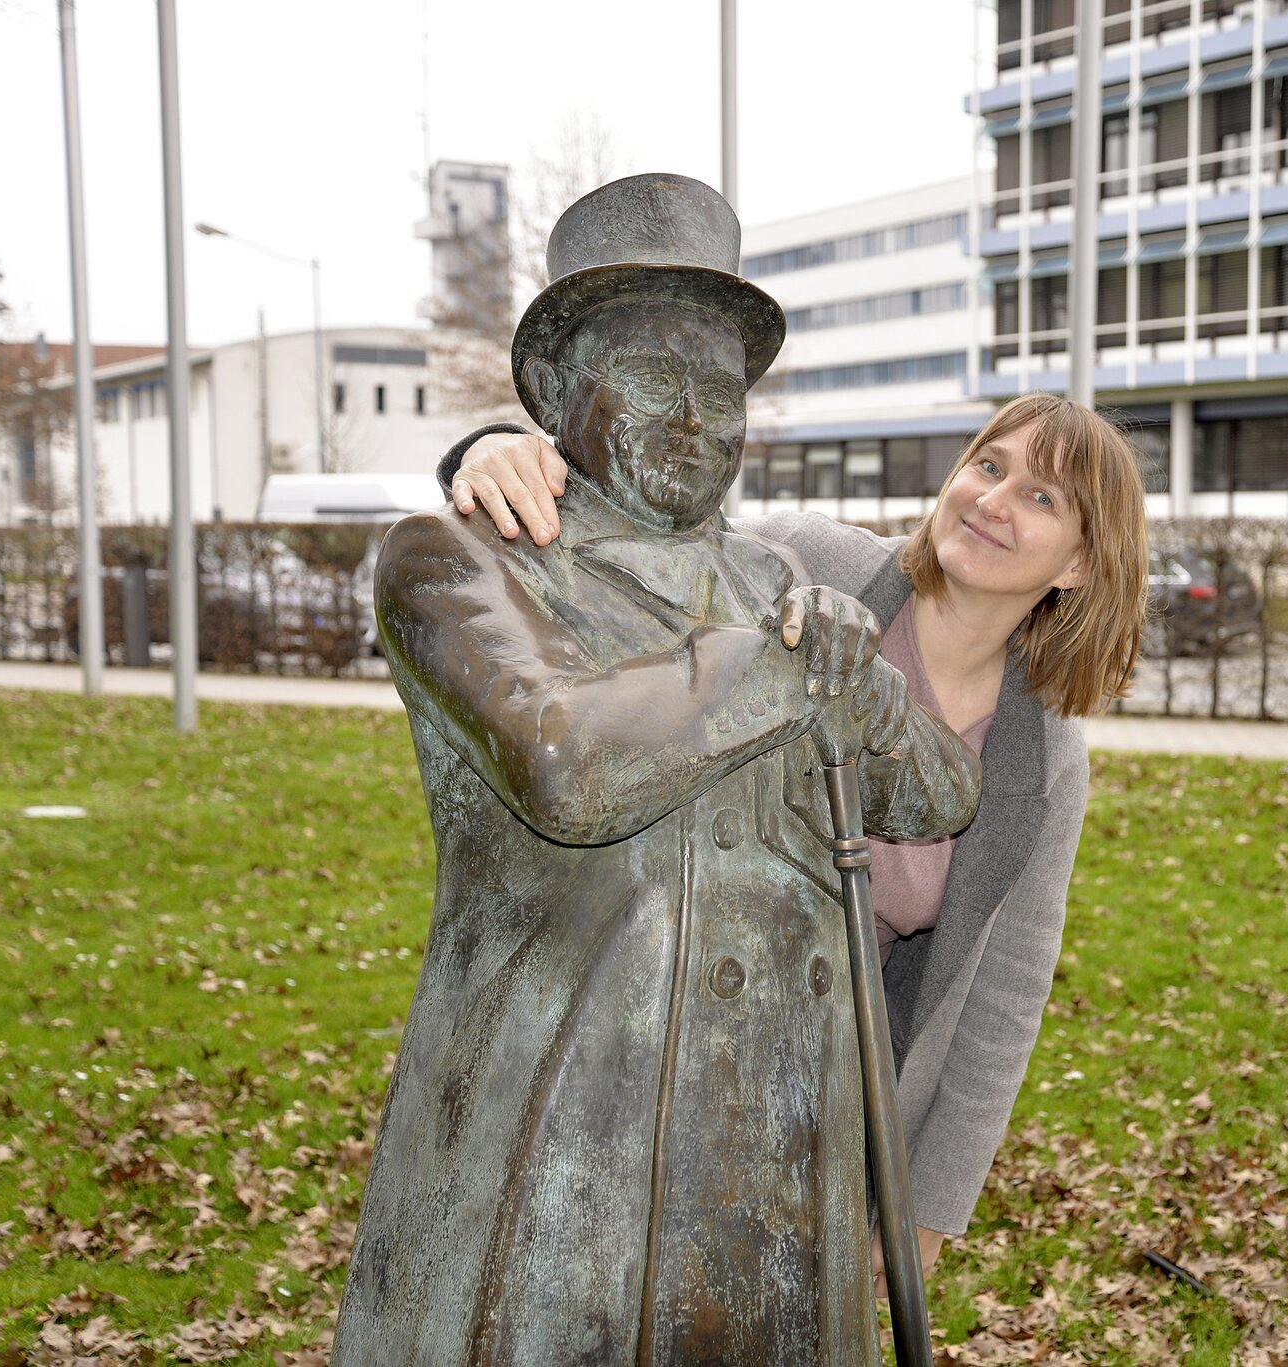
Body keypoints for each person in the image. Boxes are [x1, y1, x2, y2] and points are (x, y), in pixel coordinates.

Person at [335, 172, 982, 1365]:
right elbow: (566, 765)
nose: (693, 420)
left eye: (720, 390)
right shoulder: (458, 559)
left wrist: (861, 681)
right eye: (651, 378)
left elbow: (938, 792)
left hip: (776, 1127)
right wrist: (775, 671)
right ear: (554, 392)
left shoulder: (777, 581)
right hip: (574, 1114)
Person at [437, 387, 1151, 1288]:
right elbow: (645, 526)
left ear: (1082, 563)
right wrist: (501, 447)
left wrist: (925, 1207)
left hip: (819, 1096)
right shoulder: (812, 561)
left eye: (1043, 498)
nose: (994, 500)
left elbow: (1004, 994)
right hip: (642, 1022)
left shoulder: (1041, 754)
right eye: (989, 464)